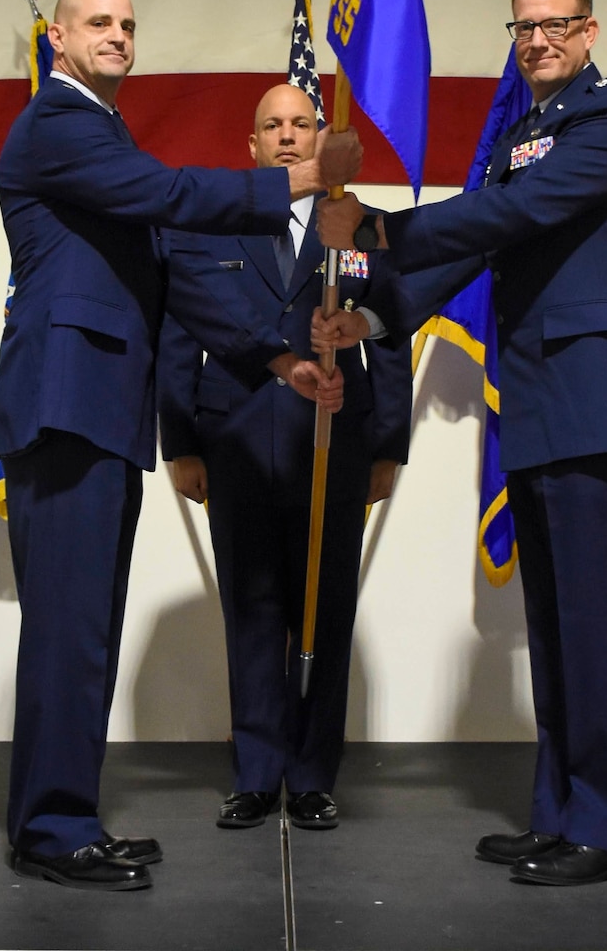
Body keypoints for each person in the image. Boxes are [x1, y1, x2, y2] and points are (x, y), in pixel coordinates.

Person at [0, 0, 361, 891]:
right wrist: (301, 176)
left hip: (98, 412)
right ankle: (50, 827)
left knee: (86, 632)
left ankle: (68, 813)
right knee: (69, 631)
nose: (117, 35)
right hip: (66, 404)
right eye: (98, 23)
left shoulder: (102, 133)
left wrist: (275, 362)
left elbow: (176, 286)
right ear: (61, 40)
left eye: (127, 23)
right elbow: (168, 194)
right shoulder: (59, 123)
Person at [314, 0, 607, 886]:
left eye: (557, 26)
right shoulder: (524, 131)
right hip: (543, 403)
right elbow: (484, 242)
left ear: (590, 32)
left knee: (592, 627)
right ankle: (562, 815)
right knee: (556, 629)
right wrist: (373, 316)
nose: (538, 42)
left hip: (600, 405)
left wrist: (382, 230)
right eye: (523, 28)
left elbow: (517, 212)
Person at [156, 83, 413, 832]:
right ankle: (256, 771)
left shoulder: (359, 227)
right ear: (253, 147)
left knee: (325, 610)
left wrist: (389, 444)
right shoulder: (212, 227)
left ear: (320, 138)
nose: (290, 136)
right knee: (252, 609)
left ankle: (310, 777)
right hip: (233, 441)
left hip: (337, 445)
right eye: (273, 126)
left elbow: (392, 332)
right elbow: (181, 334)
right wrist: (182, 443)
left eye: (303, 123)